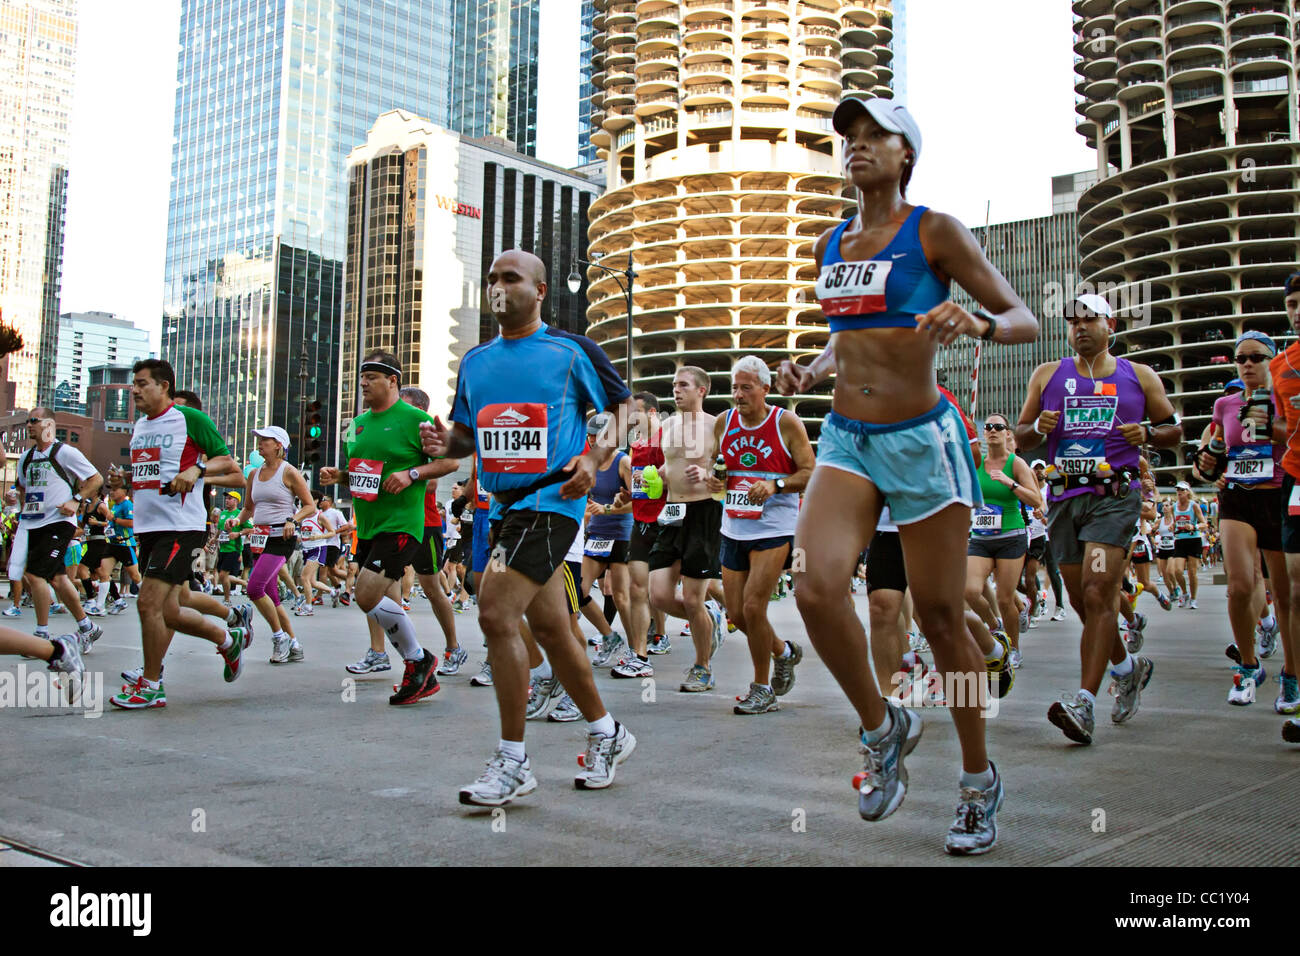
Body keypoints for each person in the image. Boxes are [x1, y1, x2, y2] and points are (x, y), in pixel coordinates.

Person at [776, 95, 1037, 854]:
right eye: (849, 139)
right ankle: (883, 726)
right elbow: (846, 336)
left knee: (942, 616)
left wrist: (978, 321)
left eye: (874, 137)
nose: (857, 147)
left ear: (905, 155)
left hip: (923, 440)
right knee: (817, 588)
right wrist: (811, 367)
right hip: (847, 439)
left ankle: (977, 780)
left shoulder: (935, 231)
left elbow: (1019, 315)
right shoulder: (833, 241)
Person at [421, 249, 638, 805]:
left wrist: (592, 460)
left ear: (540, 290)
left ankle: (513, 761)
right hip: (504, 509)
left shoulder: (570, 351)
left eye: (510, 278)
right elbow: (467, 439)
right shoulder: (474, 362)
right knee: (552, 630)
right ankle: (608, 732)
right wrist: (443, 445)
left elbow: (625, 411)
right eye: (491, 278)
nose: (498, 287)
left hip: (551, 503)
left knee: (493, 609)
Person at [1015, 293, 1181, 744]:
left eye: (1089, 320)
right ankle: (1127, 668)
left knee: (1098, 587)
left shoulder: (1139, 376)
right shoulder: (1048, 374)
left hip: (1115, 495)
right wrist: (1038, 429)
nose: (1080, 327)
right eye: (1072, 321)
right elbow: (1020, 435)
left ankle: (1084, 702)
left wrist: (1147, 432)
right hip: (1065, 496)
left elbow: (1174, 430)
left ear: (1111, 325)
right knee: (1080, 599)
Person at [111, 359, 248, 709]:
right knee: (170, 611)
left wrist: (197, 469)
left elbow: (228, 464)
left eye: (142, 384)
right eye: (133, 385)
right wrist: (125, 481)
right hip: (148, 529)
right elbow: (152, 475)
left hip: (181, 527)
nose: (135, 390)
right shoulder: (140, 426)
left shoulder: (190, 419)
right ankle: (226, 638)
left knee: (147, 602)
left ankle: (151, 684)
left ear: (164, 386)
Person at [319, 350, 444, 705]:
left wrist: (411, 474)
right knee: (374, 598)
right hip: (369, 527)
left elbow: (449, 461)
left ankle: (420, 660)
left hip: (402, 524)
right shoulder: (356, 425)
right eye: (362, 378)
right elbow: (363, 474)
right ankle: (419, 665)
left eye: (372, 378)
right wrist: (339, 475)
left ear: (393, 381)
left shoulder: (416, 419)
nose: (363, 384)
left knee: (365, 594)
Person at [703, 356, 815, 714]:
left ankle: (761, 687)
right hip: (733, 525)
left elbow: (810, 471)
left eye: (746, 387)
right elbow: (718, 469)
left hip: (774, 527)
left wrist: (775, 484)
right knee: (736, 612)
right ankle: (783, 652)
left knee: (754, 606)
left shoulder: (786, 423)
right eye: (734, 387)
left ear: (765, 389)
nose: (737, 394)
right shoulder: (723, 422)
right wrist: (713, 481)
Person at [1194, 331, 1291, 708]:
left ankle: (1291, 677)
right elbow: (1216, 448)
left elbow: (1292, 434)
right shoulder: (1225, 404)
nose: (1248, 364)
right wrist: (1208, 464)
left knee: (1283, 594)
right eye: (1241, 358)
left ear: (1272, 360)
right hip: (1237, 495)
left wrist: (1266, 417)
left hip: (1278, 494)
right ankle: (1249, 668)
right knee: (1238, 586)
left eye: (1256, 357)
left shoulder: (1285, 398)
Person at [648, 366, 726, 692]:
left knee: (694, 600)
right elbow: (671, 465)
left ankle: (702, 667)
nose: (676, 390)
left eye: (683, 385)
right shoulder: (667, 425)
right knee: (660, 595)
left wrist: (708, 474)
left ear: (701, 390)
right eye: (673, 385)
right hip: (673, 511)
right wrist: (656, 476)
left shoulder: (716, 426)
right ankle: (709, 622)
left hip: (704, 511)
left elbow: (727, 475)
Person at [10, 408, 104, 653]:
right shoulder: (26, 457)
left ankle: (41, 634)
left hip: (59, 522)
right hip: (33, 523)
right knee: (59, 578)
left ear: (49, 424)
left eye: (34, 421)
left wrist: (75, 499)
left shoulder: (65, 452)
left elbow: (96, 479)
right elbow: (21, 487)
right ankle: (87, 627)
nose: (29, 425)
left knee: (35, 575)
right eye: (27, 421)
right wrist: (17, 504)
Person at [225, 426, 316, 662]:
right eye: (259, 439)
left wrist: (292, 520)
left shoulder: (289, 472)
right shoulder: (254, 474)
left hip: (281, 538)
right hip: (259, 539)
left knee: (255, 588)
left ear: (279, 445)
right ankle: (294, 644)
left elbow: (309, 506)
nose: (260, 443)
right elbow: (248, 508)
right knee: (271, 595)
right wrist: (237, 520)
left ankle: (279, 638)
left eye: (265, 440)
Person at [964, 413, 1041, 671]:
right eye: (988, 427)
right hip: (981, 537)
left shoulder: (1016, 464)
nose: (993, 430)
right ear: (984, 434)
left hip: (1011, 536)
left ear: (1009, 434)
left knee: (1004, 597)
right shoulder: (977, 464)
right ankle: (996, 627)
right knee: (969, 591)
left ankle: (1014, 648)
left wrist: (1011, 484)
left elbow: (1035, 500)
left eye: (999, 427)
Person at [397, 385, 464, 675]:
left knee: (432, 588)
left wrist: (410, 474)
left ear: (420, 409)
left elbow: (437, 479)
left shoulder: (428, 437)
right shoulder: (390, 434)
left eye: (405, 406)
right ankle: (381, 652)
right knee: (374, 588)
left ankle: (454, 647)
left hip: (425, 524)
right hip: (393, 523)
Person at [581, 412, 636, 672]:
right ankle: (609, 636)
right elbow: (587, 501)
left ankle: (636, 651)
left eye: (596, 436)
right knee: (578, 591)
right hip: (596, 534)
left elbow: (640, 502)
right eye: (589, 435)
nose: (591, 440)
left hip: (621, 533)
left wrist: (610, 510)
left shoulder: (623, 462)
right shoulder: (589, 463)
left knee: (621, 596)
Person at [1167, 481, 1208, 609]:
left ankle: (1194, 599)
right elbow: (1173, 523)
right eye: (1177, 490)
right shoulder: (1174, 507)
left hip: (1194, 540)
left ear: (1187, 492)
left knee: (1192, 573)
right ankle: (1184, 593)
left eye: (1182, 490)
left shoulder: (1194, 506)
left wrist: (1193, 526)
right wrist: (1172, 526)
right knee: (1177, 571)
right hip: (1180, 540)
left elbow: (1204, 523)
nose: (1179, 492)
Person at [215, 490, 250, 602]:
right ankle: (243, 584)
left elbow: (251, 528)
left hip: (233, 548)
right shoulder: (223, 513)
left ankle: (227, 599)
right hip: (222, 548)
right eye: (226, 498)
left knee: (223, 574)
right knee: (222, 576)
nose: (227, 500)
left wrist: (238, 534)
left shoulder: (239, 515)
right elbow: (220, 529)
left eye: (230, 498)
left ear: (236, 501)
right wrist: (214, 538)